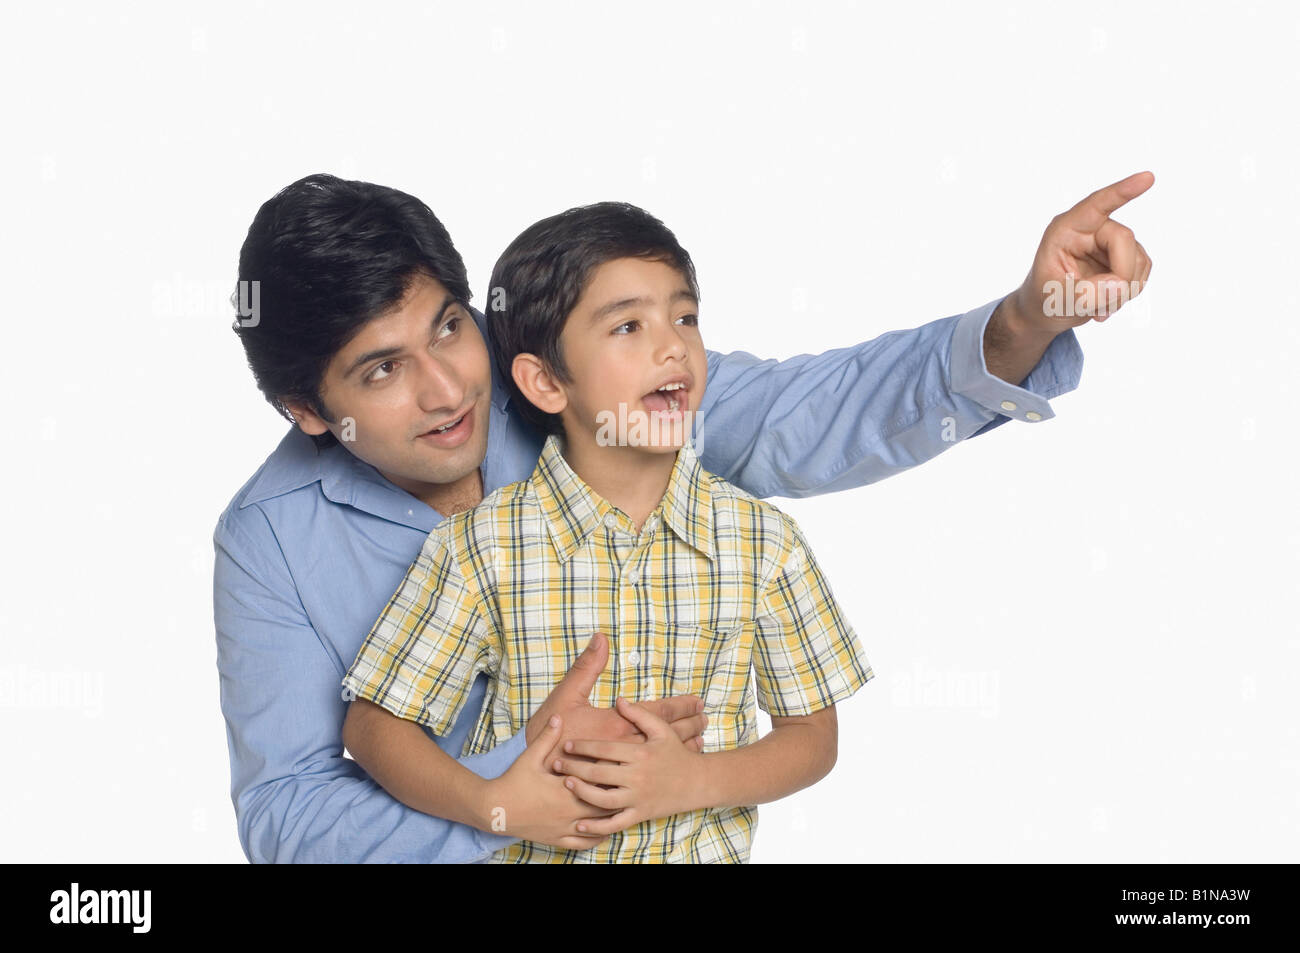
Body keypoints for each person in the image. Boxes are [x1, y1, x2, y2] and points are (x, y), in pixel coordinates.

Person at [214, 171, 1149, 863]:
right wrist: (504, 798)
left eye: (450, 327)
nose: (448, 386)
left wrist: (1029, 317)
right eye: (382, 370)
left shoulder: (577, 389)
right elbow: (288, 810)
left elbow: (808, 411)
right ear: (307, 409)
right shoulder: (269, 542)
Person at [340, 202, 875, 862]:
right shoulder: (482, 547)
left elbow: (814, 735)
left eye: (685, 317)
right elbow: (374, 726)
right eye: (628, 324)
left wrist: (693, 782)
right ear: (543, 380)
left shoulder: (763, 543)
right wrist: (492, 803)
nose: (673, 344)